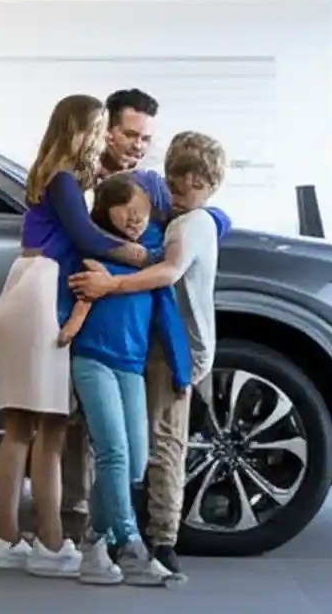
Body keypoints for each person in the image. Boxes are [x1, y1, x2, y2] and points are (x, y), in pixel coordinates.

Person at [0, 94, 148, 577]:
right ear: (81, 130)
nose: (104, 138)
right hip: (42, 295)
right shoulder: (62, 180)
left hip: (21, 284)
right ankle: (51, 544)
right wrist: (137, 256)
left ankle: (6, 539)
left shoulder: (49, 177)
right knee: (52, 428)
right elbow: (86, 238)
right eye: (100, 128)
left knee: (19, 426)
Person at [69, 131, 230, 575]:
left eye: (192, 188)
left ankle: (159, 539)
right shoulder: (163, 210)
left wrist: (111, 283)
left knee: (158, 443)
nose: (180, 195)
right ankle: (119, 535)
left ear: (209, 186)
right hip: (143, 342)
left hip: (177, 348)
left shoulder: (194, 223)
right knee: (127, 445)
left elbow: (169, 270)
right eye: (176, 185)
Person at [60, 172, 194, 586]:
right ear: (107, 210)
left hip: (132, 365)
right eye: (125, 212)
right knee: (113, 452)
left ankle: (94, 544)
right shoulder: (90, 248)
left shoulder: (152, 253)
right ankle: (132, 547)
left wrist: (181, 367)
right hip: (92, 360)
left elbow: (167, 316)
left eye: (141, 212)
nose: (134, 220)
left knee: (136, 461)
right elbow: (68, 303)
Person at [61, 87, 160, 545]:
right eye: (128, 134)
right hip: (84, 339)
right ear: (105, 131)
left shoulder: (150, 188)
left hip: (130, 349)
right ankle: (105, 533)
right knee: (104, 446)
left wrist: (133, 265)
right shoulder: (76, 185)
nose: (137, 145)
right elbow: (74, 242)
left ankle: (99, 537)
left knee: (127, 453)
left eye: (145, 138)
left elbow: (199, 219)